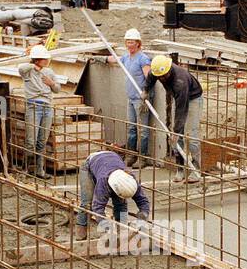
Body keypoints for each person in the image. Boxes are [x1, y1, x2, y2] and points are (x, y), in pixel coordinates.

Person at [146, 54, 203, 183]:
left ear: (169, 70)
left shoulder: (180, 81)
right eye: (159, 76)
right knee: (176, 137)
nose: (161, 78)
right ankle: (180, 169)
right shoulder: (158, 69)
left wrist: (177, 131)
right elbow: (150, 78)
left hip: (193, 98)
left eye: (163, 76)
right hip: (178, 98)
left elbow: (181, 110)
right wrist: (146, 90)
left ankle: (195, 170)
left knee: (191, 135)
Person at [75, 149, 151, 235]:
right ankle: (81, 232)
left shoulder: (130, 179)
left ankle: (122, 231)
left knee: (121, 204)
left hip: (110, 159)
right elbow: (98, 208)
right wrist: (107, 229)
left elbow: (143, 201)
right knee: (87, 204)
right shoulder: (103, 182)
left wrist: (143, 215)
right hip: (90, 164)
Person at [106, 28, 152, 166]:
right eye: (127, 42)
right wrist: (100, 58)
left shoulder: (143, 59)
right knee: (131, 128)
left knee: (143, 130)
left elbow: (149, 77)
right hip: (131, 98)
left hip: (141, 99)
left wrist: (146, 93)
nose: (129, 45)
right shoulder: (126, 57)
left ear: (138, 43)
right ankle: (131, 156)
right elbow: (115, 60)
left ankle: (143, 158)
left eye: (131, 42)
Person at [17, 43, 60, 175]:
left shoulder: (49, 72)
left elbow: (58, 89)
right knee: (31, 141)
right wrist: (33, 64)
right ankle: (25, 169)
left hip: (47, 107)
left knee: (42, 140)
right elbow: (20, 67)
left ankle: (39, 170)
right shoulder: (28, 71)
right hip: (34, 106)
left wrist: (51, 83)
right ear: (37, 59)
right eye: (44, 59)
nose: (47, 61)